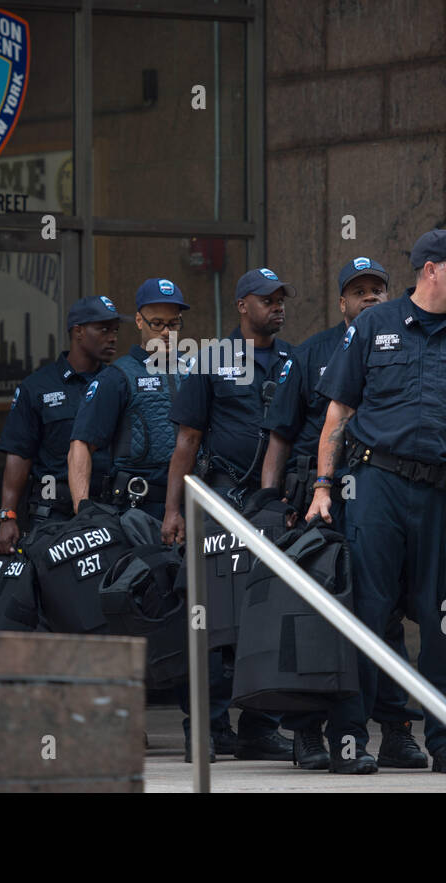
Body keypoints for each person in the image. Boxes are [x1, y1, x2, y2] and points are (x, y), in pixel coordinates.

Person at [308, 227, 446, 775]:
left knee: (441, 618)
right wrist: (323, 487)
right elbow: (338, 415)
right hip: (377, 487)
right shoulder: (373, 326)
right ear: (431, 270)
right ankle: (351, 738)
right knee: (366, 613)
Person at [259, 257, 428, 771]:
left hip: (382, 496)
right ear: (342, 302)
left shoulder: (407, 343)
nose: (371, 297)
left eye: (378, 288)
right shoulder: (312, 354)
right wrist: (271, 501)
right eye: (359, 291)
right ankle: (310, 732)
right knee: (319, 619)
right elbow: (282, 434)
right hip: (321, 502)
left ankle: (396, 730)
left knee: (388, 618)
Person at [161, 267, 299, 763]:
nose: (277, 306)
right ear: (242, 304)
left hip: (272, 508)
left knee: (265, 618)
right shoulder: (211, 359)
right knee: (211, 623)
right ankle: (206, 726)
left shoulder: (293, 360)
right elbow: (187, 440)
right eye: (267, 299)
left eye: (281, 299)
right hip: (218, 504)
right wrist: (173, 508)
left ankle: (260, 726)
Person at [0, 295, 122, 553]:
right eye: (104, 329)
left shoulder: (118, 383)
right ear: (78, 331)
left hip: (109, 511)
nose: (113, 337)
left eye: (115, 330)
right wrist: (7, 517)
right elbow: (19, 454)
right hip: (53, 515)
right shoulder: (38, 387)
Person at [68, 278, 191, 521]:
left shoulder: (193, 372)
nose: (167, 332)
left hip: (192, 503)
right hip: (138, 508)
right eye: (157, 324)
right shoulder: (117, 377)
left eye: (174, 324)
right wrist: (82, 509)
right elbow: (81, 445)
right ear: (138, 321)